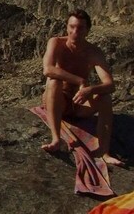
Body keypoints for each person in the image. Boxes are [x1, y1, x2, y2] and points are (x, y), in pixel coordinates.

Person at [41, 9, 122, 166]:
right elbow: (48, 69)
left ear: (87, 30)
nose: (75, 32)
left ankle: (104, 152)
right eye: (72, 27)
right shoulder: (56, 42)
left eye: (80, 28)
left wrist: (90, 90)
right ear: (67, 27)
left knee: (105, 98)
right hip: (59, 101)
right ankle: (56, 139)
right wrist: (80, 81)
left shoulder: (94, 52)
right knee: (54, 81)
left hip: (79, 104)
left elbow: (110, 84)